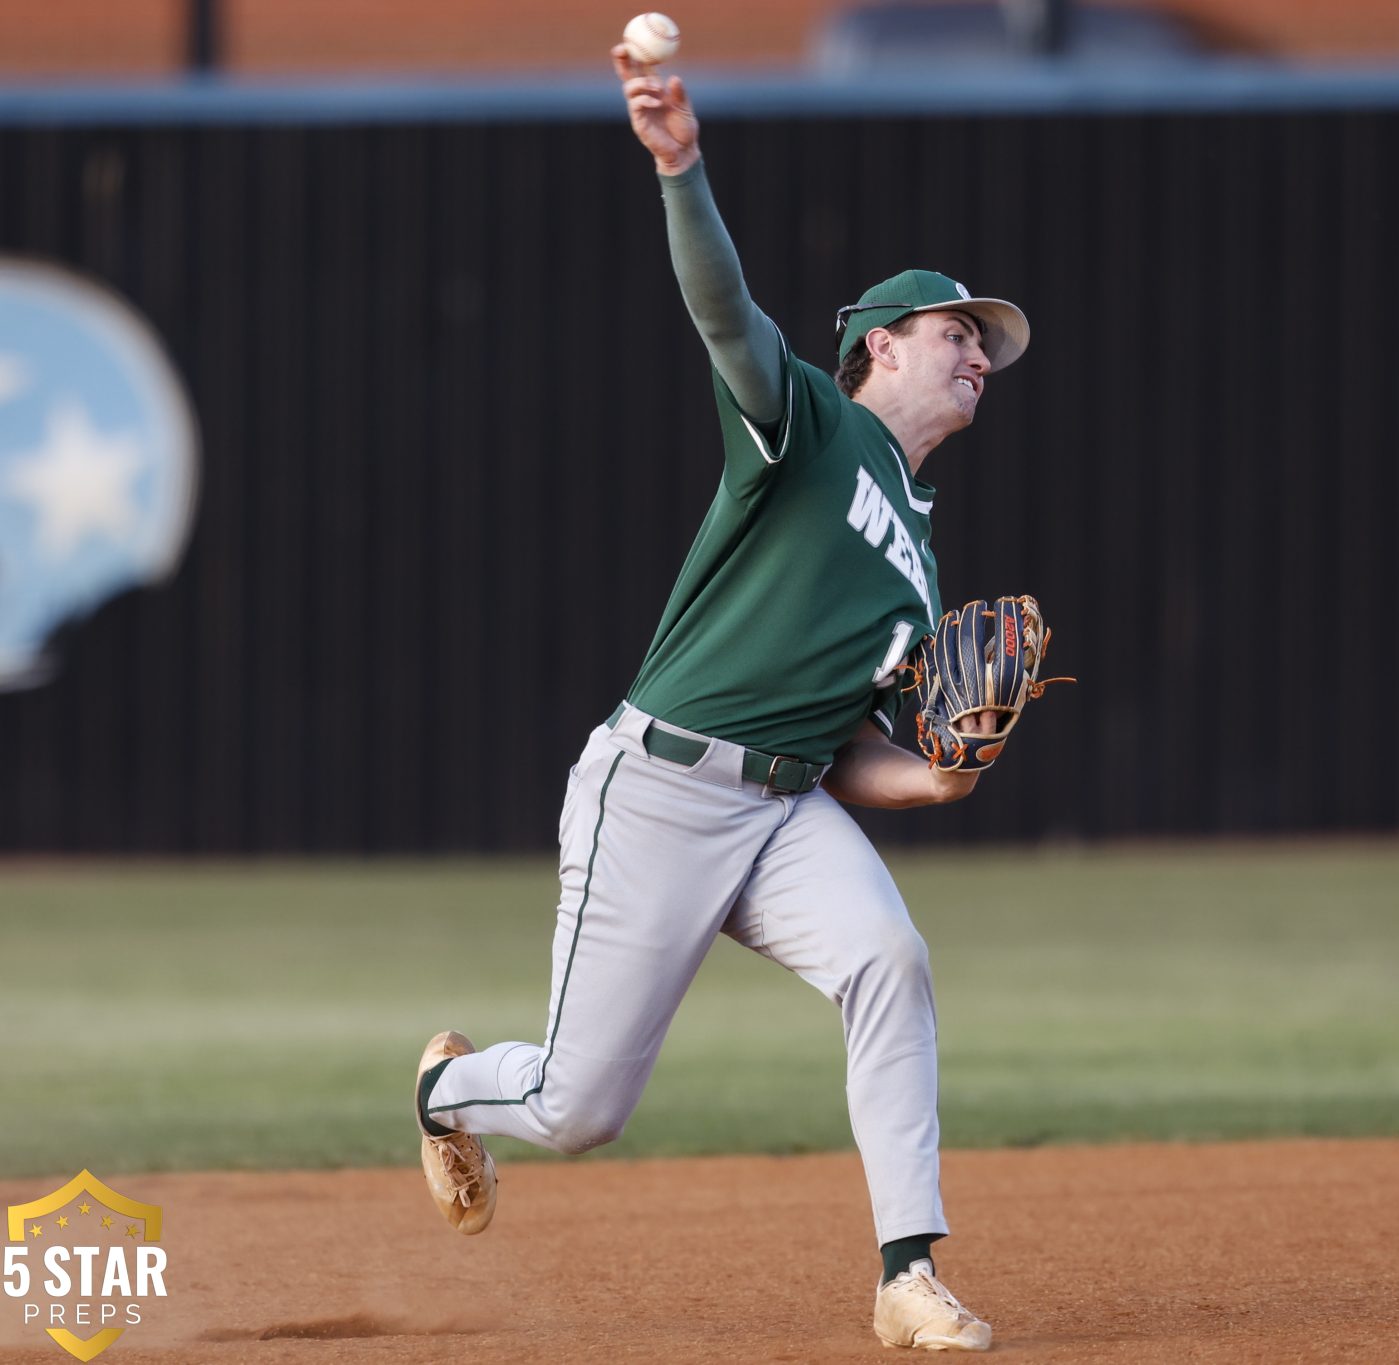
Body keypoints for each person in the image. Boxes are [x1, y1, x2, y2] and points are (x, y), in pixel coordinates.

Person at [407, 41, 1035, 1354]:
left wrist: (935, 774)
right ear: (880, 348)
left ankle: (907, 1271)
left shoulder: (922, 561)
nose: (979, 351)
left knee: (888, 961)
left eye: (986, 340)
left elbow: (845, 740)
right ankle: (450, 1089)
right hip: (663, 786)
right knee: (581, 1110)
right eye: (956, 331)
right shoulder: (806, 420)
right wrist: (680, 167)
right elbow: (725, 313)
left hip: (785, 803)